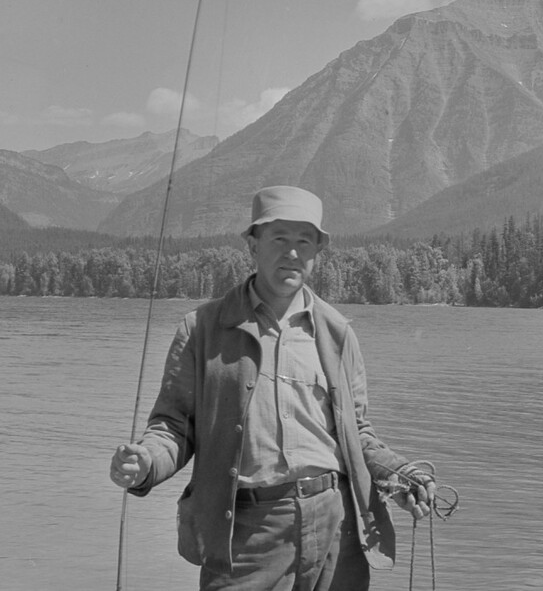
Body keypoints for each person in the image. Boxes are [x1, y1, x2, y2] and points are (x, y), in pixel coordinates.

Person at [109, 185, 436, 590]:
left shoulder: (338, 333)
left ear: (318, 250)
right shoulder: (203, 329)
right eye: (279, 239)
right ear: (252, 244)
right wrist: (144, 463)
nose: (293, 252)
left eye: (305, 241)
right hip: (245, 535)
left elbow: (357, 434)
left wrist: (399, 473)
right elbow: (174, 427)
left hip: (338, 528)